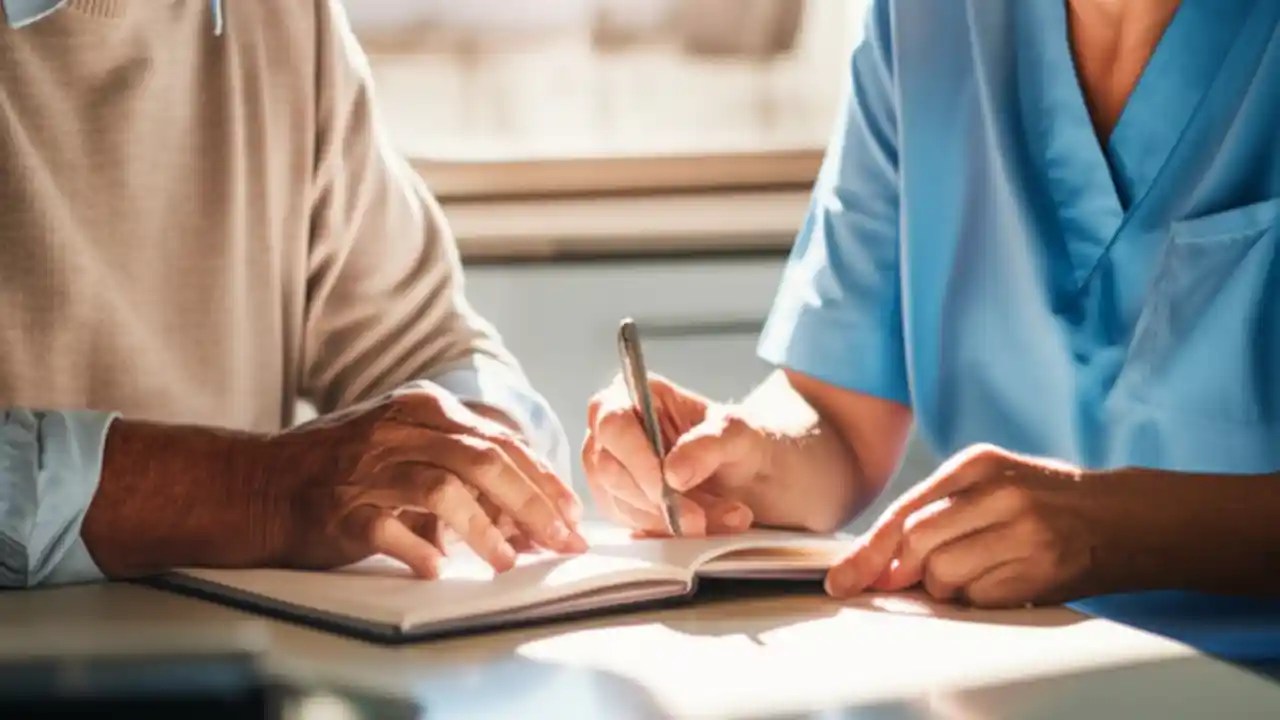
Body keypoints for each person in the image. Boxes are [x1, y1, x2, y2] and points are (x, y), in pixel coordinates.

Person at [584, 0, 1280, 626]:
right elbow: (840, 418)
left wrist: (1123, 532)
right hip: (997, 669)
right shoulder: (926, 21)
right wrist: (740, 457)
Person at [0, 0, 587, 589]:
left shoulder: (285, 16)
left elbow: (421, 348)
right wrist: (257, 491)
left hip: (245, 656)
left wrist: (475, 450)